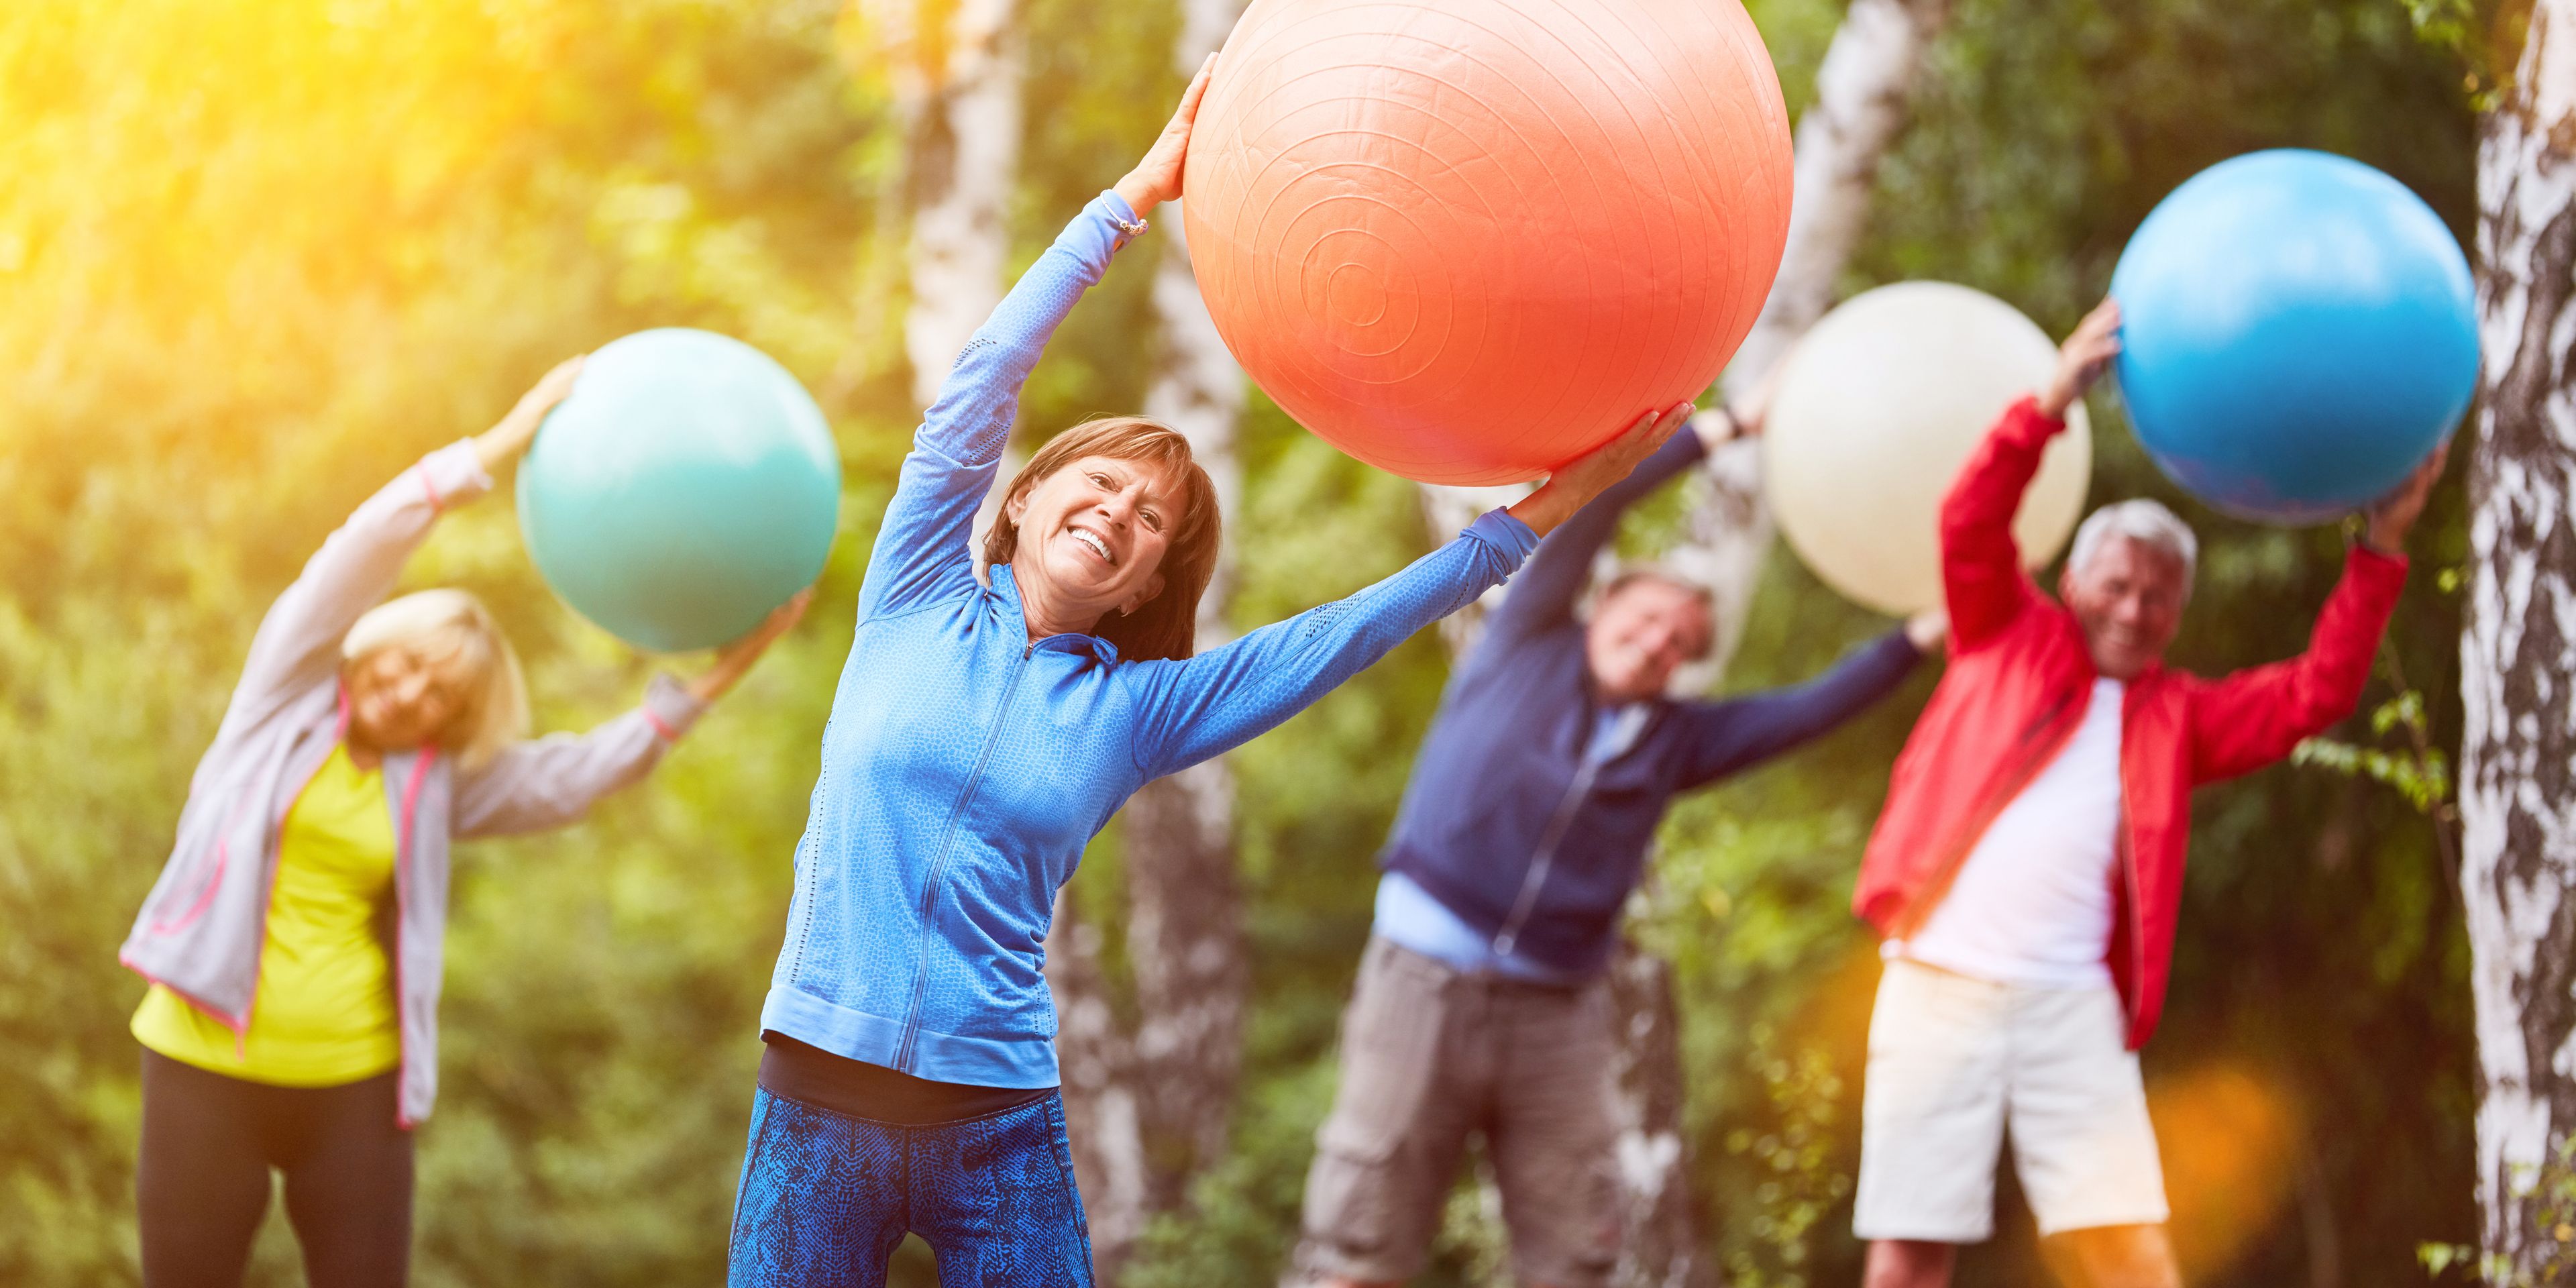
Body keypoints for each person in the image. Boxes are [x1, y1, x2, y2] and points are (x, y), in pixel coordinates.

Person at [722, 60, 1689, 1287]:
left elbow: (1349, 631)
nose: (1121, 516)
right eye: (1102, 486)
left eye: (1151, 526)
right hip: (817, 1091)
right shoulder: (913, 591)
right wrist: (1128, 200)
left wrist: (1555, 506)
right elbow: (979, 389)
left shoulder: (1138, 711)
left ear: (1141, 591)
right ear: (1020, 507)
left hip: (994, 1117)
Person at [117, 357, 807, 1288]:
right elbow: (352, 555)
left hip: (355, 1090)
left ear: (451, 721)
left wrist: (718, 677)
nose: (407, 695)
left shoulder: (434, 785)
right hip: (202, 1071)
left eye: (438, 694)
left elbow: (575, 776)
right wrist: (499, 443)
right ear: (374, 648)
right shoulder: (280, 700)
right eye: (403, 666)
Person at [1289, 388, 1947, 1288]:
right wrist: (1721, 429)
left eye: (1677, 645)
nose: (1653, 647)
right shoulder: (1527, 637)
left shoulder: (1678, 742)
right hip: (1421, 983)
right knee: (1361, 1240)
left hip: (1556, 1015)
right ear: (1602, 608)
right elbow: (1597, 502)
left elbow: (1808, 711)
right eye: (1644, 623)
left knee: (1577, 1254)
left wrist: (1921, 635)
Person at [1849, 299, 2446, 1288]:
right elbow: (1971, 521)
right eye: (2118, 585)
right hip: (1938, 982)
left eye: (2158, 594)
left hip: (2072, 1004)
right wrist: (2048, 400)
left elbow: (2315, 692)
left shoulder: (2180, 718)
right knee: (1913, 1245)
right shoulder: (2004, 634)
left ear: (2179, 610)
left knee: (2123, 1245)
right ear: (2077, 586)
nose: (2134, 609)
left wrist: (2382, 545)